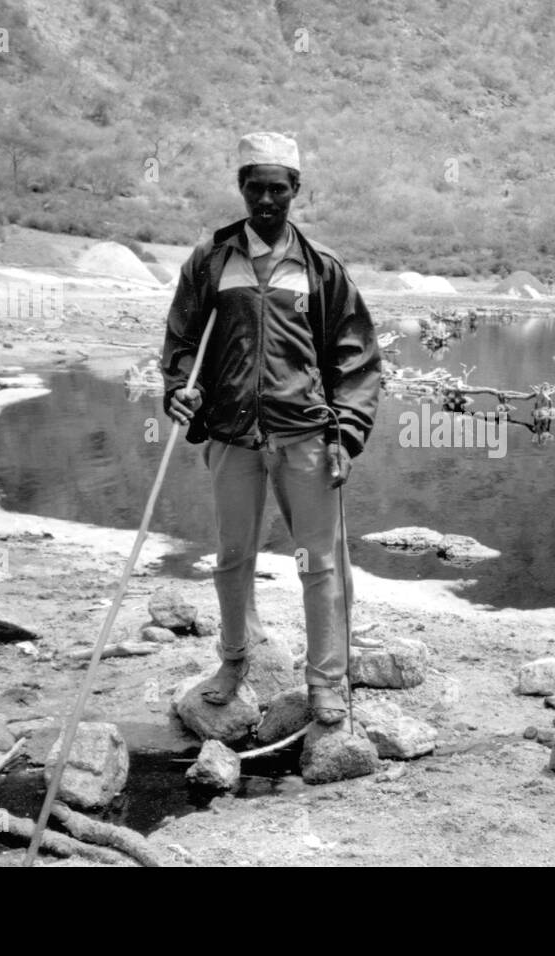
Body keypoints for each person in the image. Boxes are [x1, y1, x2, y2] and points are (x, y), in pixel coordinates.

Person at [160, 131, 381, 724]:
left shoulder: (322, 269)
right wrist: (181, 390)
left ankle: (326, 680)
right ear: (241, 187)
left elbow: (354, 359)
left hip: (305, 433)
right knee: (233, 556)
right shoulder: (211, 261)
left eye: (277, 189)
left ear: (295, 191)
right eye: (255, 187)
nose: (265, 199)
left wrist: (346, 433)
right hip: (233, 434)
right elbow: (182, 342)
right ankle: (233, 662)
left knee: (320, 561)